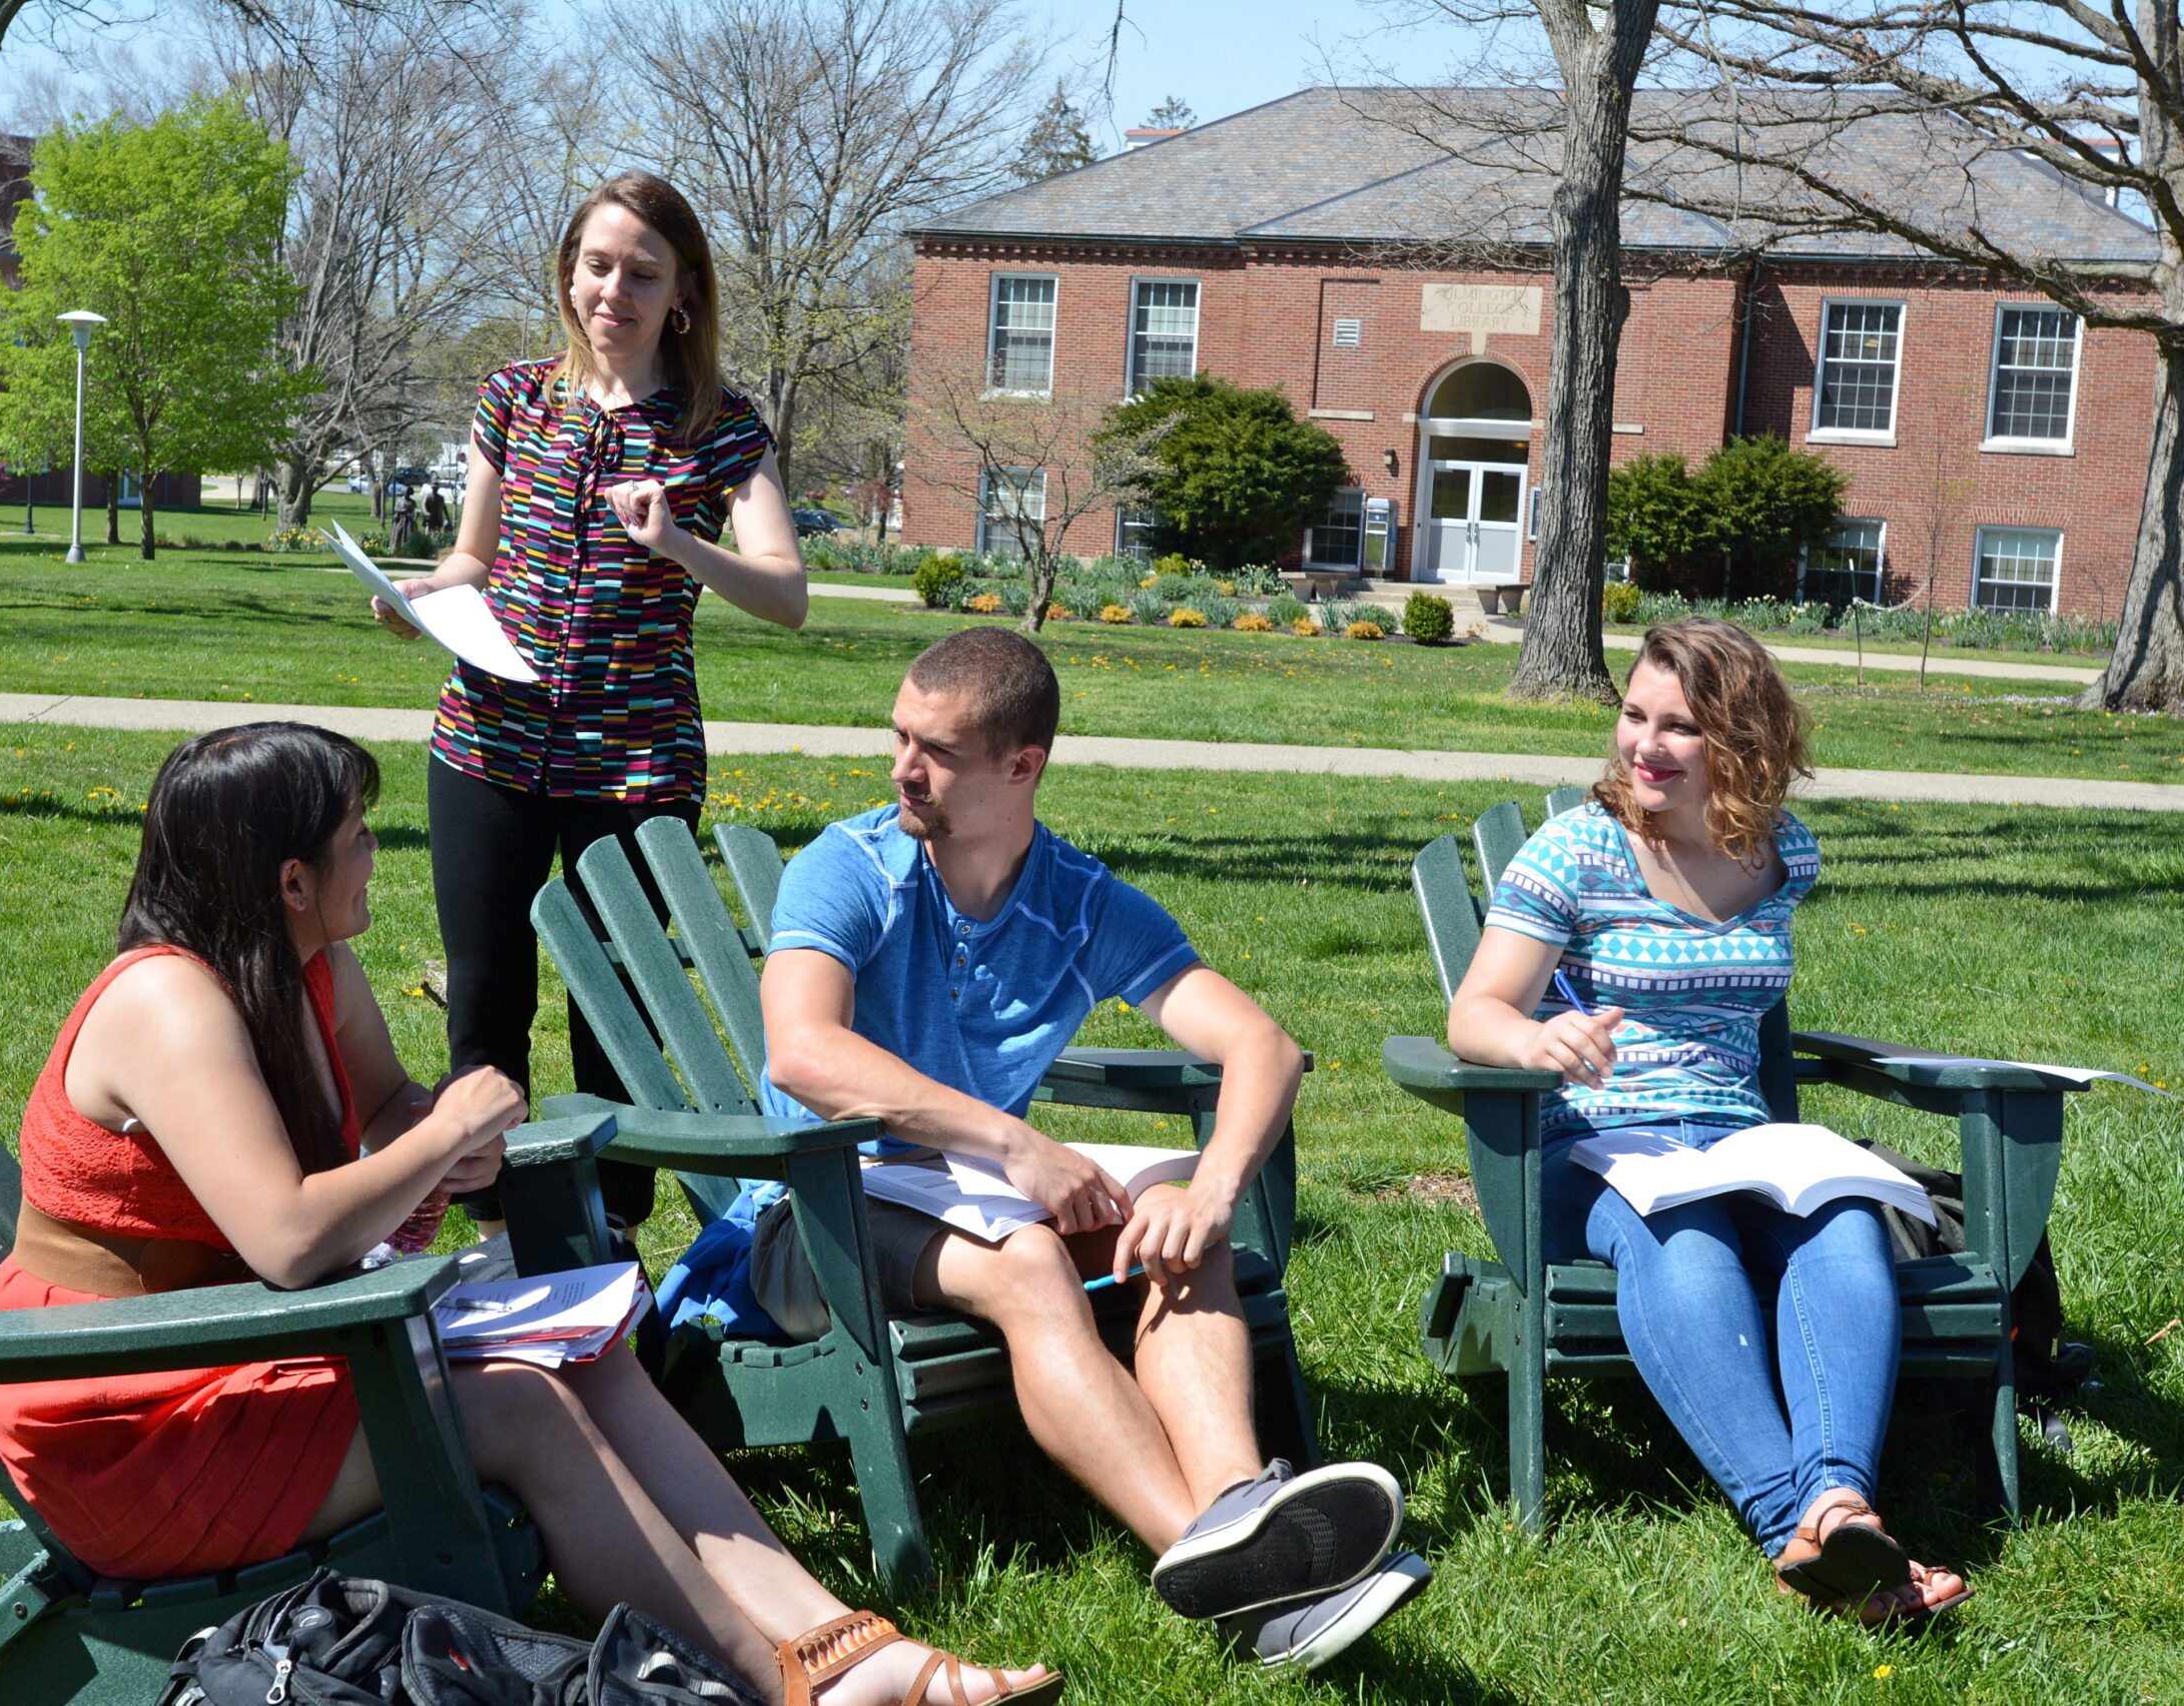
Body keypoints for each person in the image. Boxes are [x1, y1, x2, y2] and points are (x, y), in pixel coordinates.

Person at [0, 723, 1056, 1706]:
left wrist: (436, 1121)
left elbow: (393, 1106)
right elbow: (291, 1240)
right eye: (357, 835)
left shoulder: (308, 965)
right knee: (524, 1405)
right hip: (128, 1422)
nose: (377, 853)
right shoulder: (169, 1003)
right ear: (290, 878)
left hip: (226, 1355)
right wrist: (446, 1139)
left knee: (593, 1349)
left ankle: (847, 1647)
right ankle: (778, 1686)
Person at [756, 628, 1428, 1675]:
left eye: (934, 750)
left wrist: (1208, 1191)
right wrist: (1014, 1141)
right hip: (817, 1216)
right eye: (898, 736)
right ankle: (1240, 1577)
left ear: (1022, 766)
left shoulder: (1076, 899)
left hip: (975, 1199)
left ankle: (1236, 1506)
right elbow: (803, 1052)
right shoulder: (846, 870)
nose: (901, 767)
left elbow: (1261, 1046)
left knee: (1176, 1232)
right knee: (1027, 1260)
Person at [1444, 617, 1971, 1624]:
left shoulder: (1783, 856)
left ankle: (1837, 1500)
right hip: (1599, 1147)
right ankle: (1795, 1532)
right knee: (1681, 1241)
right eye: (1634, 716)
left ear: (1740, 744)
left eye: (1678, 727)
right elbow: (1475, 1012)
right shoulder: (1579, 849)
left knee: (1846, 1218)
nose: (1642, 744)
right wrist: (1534, 1044)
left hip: (1740, 1136)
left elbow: (1754, 1005)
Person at [374, 169, 806, 1255]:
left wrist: (678, 542)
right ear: (569, 272)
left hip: (636, 760)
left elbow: (788, 594)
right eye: (597, 264)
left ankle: (607, 1228)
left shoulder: (720, 427)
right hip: (487, 741)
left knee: (618, 994)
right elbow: (474, 556)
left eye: (641, 272)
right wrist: (419, 598)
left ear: (684, 293)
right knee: (484, 993)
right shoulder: (515, 398)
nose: (612, 288)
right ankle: (493, 1224)